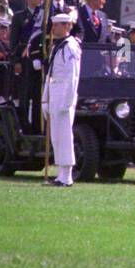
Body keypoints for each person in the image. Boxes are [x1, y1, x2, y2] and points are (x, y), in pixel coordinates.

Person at [43, 11, 82, 186]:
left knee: (64, 136)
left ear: (67, 26)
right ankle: (61, 174)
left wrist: (68, 101)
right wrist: (45, 99)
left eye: (57, 25)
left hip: (64, 94)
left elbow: (72, 76)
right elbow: (50, 74)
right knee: (56, 136)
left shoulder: (70, 46)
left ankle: (66, 176)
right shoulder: (59, 45)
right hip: (55, 92)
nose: (53, 28)